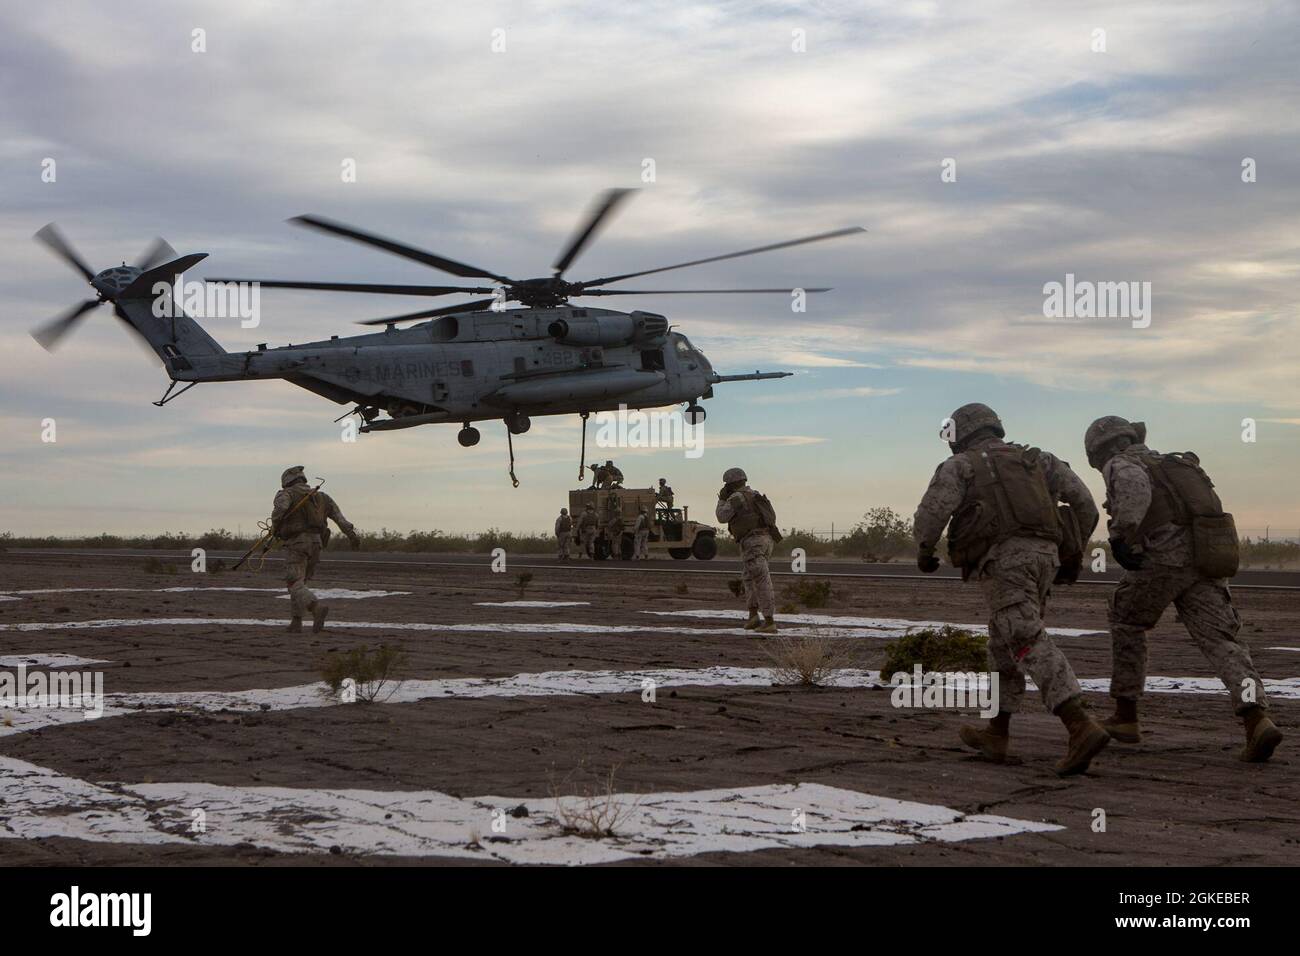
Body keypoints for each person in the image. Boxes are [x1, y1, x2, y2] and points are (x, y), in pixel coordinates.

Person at [913, 403, 1107, 776]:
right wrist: (1072, 551)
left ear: (960, 434)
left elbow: (931, 515)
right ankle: (996, 732)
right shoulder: (1039, 460)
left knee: (1025, 639)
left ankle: (1079, 723)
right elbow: (1085, 504)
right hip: (1045, 559)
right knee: (1002, 644)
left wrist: (925, 552)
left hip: (1004, 559)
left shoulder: (962, 465)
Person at [1084, 416, 1282, 762]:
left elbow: (1133, 490)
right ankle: (1256, 718)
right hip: (1206, 559)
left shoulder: (1124, 463)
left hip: (1163, 558)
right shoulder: (1172, 463)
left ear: (1103, 449)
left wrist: (1120, 535)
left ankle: (1126, 715)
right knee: (1222, 640)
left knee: (1126, 618)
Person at [271, 465, 359, 633]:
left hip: (297, 543)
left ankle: (316, 608)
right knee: (301, 583)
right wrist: (352, 535)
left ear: (286, 482)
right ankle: (296, 622)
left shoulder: (286, 494)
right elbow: (341, 519)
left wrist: (275, 528)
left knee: (293, 582)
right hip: (316, 544)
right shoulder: (322, 498)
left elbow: (280, 510)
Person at [715, 467, 780, 633]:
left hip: (753, 542)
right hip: (765, 540)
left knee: (761, 580)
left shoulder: (737, 497)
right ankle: (753, 616)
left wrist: (721, 500)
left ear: (731, 484)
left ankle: (769, 621)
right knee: (749, 578)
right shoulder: (754, 494)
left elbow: (722, 517)